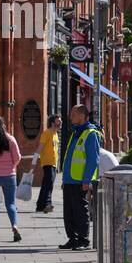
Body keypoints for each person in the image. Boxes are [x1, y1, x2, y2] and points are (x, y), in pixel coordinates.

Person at [59, 103, 101, 251]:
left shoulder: (90, 133)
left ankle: (83, 240)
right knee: (68, 211)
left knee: (80, 211)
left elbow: (92, 159)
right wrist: (64, 179)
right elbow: (69, 158)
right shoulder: (76, 132)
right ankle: (72, 238)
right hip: (70, 179)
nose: (70, 117)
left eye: (74, 114)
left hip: (80, 180)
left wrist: (87, 180)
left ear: (82, 116)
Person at [34, 114, 60, 214]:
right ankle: (47, 204)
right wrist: (34, 161)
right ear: (53, 123)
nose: (60, 123)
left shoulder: (56, 134)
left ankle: (40, 205)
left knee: (47, 184)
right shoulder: (47, 133)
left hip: (53, 163)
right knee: (48, 184)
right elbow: (40, 147)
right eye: (58, 121)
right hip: (47, 163)